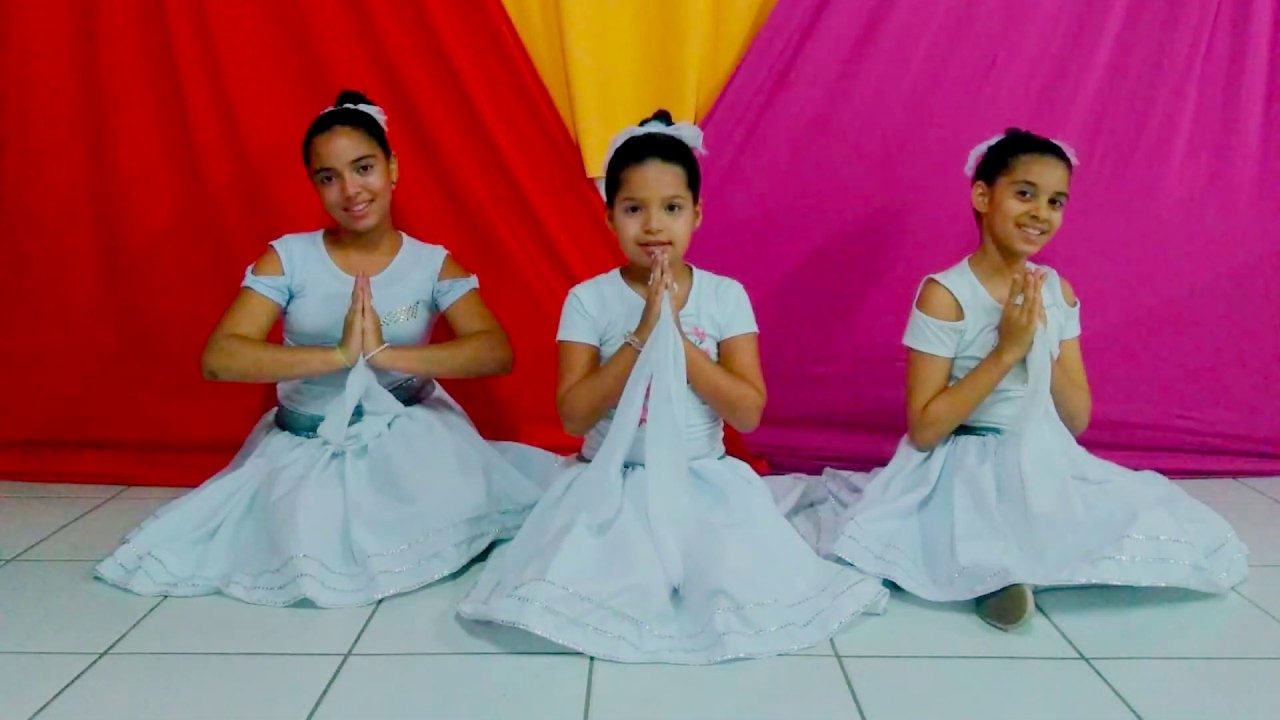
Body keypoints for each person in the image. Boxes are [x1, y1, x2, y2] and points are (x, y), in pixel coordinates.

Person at [457, 111, 888, 663]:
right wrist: (641, 335)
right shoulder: (589, 300)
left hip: (699, 477)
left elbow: (749, 412)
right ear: (610, 216)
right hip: (609, 479)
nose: (654, 226)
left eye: (672, 208)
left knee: (729, 587)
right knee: (593, 589)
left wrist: (676, 339)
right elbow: (573, 417)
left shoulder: (724, 296)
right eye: (634, 209)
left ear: (697, 214)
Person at [95, 90, 544, 607]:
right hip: (307, 444)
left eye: (363, 168)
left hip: (415, 440)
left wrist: (384, 354)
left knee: (428, 521)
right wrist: (336, 356)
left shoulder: (432, 263)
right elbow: (220, 358)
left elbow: (495, 352)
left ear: (392, 168)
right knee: (299, 538)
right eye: (328, 178)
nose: (350, 190)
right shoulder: (288, 258)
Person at [791, 128, 1248, 630]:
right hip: (963, 457)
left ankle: (1021, 564)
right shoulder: (945, 294)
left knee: (1132, 515)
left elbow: (1076, 419)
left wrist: (1039, 340)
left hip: (1041, 453)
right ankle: (993, 577)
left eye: (1056, 201)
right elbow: (924, 428)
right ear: (983, 196)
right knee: (971, 519)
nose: (1040, 212)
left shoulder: (1056, 291)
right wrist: (1006, 350)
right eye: (1024, 193)